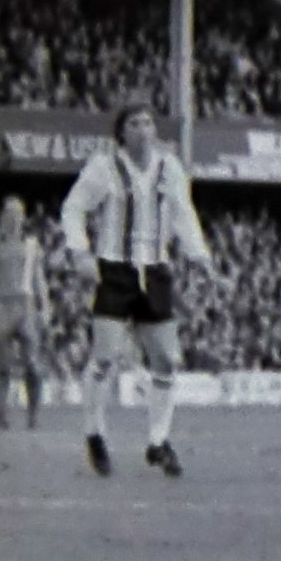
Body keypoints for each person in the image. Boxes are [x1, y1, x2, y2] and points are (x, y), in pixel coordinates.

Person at [58, 103, 216, 477]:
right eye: (135, 123)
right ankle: (94, 433)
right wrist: (79, 252)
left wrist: (200, 257)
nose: (144, 129)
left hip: (155, 270)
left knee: (165, 359)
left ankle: (158, 442)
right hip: (114, 269)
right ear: (122, 133)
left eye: (148, 122)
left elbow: (183, 215)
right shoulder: (104, 167)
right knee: (106, 355)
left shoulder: (169, 168)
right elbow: (73, 208)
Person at [0, 196, 52, 429]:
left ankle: (33, 415)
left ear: (23, 217)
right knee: (3, 366)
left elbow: (39, 279)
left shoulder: (30, 245)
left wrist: (44, 307)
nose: (13, 218)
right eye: (9, 213)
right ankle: (1, 415)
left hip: (25, 305)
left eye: (18, 213)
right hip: (1, 305)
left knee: (32, 364)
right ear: (2, 217)